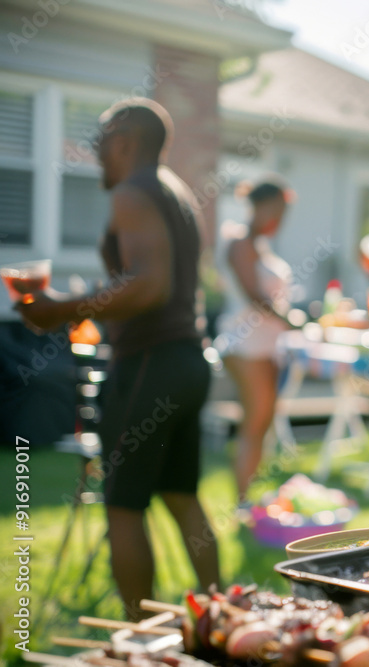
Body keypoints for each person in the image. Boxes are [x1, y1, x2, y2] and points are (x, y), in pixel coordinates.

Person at [17, 98, 220, 619]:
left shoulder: (133, 192)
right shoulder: (175, 191)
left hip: (151, 363)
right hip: (188, 361)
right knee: (180, 495)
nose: (95, 152)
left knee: (124, 505)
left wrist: (62, 308)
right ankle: (222, 618)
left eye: (100, 140)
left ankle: (143, 638)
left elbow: (149, 285)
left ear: (124, 142)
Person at [214, 177, 295, 506]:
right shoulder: (239, 242)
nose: (280, 218)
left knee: (262, 421)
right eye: (276, 210)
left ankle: (247, 498)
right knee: (256, 419)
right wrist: (295, 321)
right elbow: (255, 296)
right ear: (260, 207)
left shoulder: (260, 245)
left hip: (267, 346)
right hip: (244, 344)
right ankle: (243, 501)